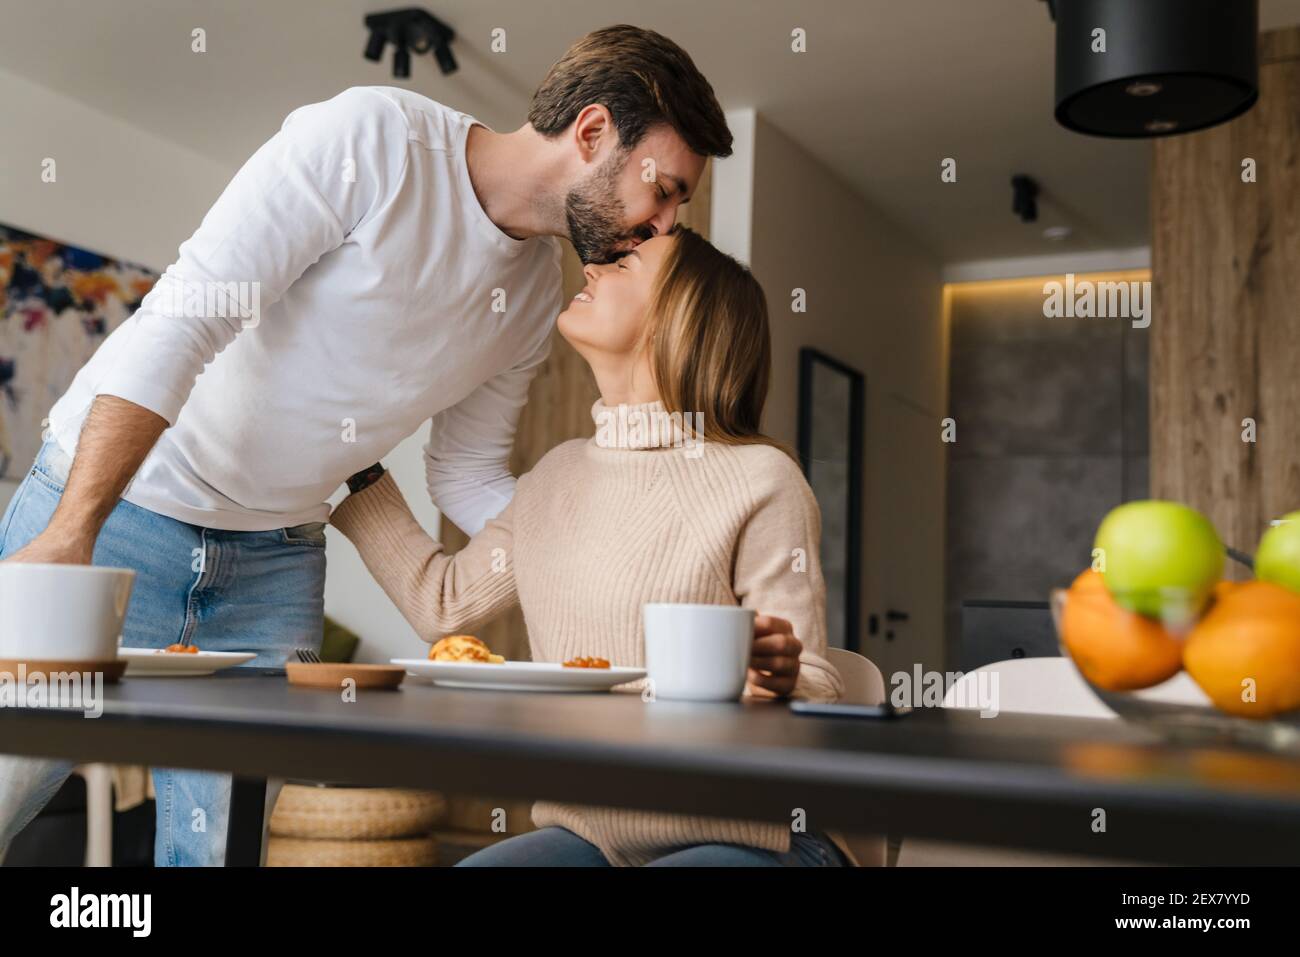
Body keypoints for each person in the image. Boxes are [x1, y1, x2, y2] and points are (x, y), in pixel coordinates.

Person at [0, 25, 732, 866]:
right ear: (595, 134)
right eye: (665, 192)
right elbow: (189, 315)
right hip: (116, 512)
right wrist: (71, 530)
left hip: (274, 561)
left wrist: (608, 554)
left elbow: (464, 471)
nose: (666, 225)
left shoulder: (534, 301)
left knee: (214, 850)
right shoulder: (373, 141)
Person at [331, 226, 851, 867]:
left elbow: (822, 686)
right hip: (590, 836)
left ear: (676, 319)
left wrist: (778, 676)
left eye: (628, 263)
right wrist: (350, 467)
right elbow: (442, 604)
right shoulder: (555, 476)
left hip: (751, 836)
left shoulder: (763, 480)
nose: (596, 266)